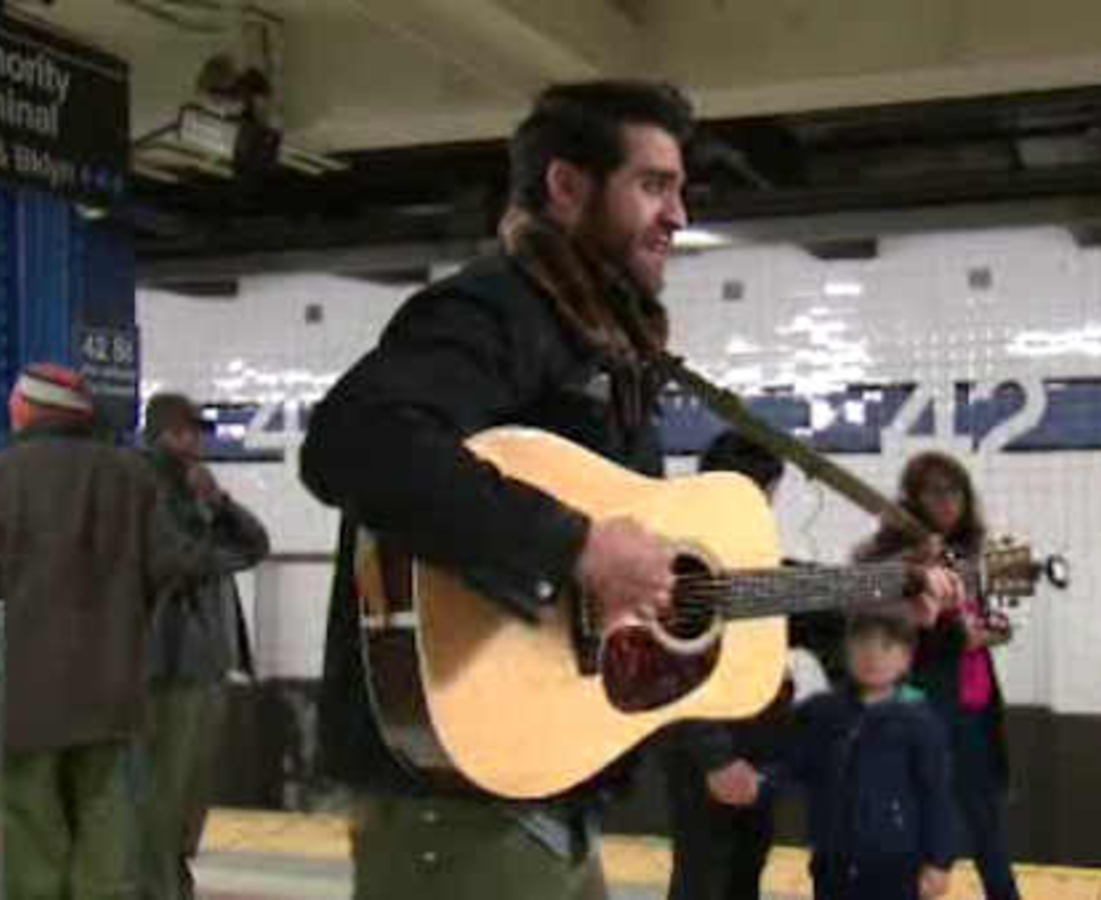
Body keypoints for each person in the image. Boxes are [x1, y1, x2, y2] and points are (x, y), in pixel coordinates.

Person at [299, 80, 963, 899]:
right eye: (653, 185)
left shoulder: (603, 350)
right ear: (567, 187)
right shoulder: (496, 309)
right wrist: (574, 545)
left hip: (543, 794)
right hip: (460, 808)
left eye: (679, 190)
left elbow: (671, 583)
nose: (678, 215)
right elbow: (354, 441)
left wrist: (877, 591)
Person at [0, 363, 189, 900]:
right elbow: (170, 565)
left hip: (19, 701)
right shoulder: (134, 476)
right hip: (112, 697)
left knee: (29, 852)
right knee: (105, 851)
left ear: (24, 410)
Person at [664, 430, 841, 900]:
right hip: (707, 755)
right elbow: (672, 673)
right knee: (704, 880)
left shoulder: (756, 561)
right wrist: (716, 759)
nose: (767, 507)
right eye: (765, 495)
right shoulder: (680, 568)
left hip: (762, 744)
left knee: (744, 872)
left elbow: (817, 621)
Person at [853, 451, 1021, 900]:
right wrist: (960, 639)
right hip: (918, 710)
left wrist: (987, 630)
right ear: (912, 499)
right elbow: (880, 639)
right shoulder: (884, 560)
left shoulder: (969, 554)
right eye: (935, 492)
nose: (948, 502)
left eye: (956, 492)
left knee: (986, 825)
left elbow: (969, 620)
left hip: (974, 707)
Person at [136, 392, 271, 900]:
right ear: (162, 434)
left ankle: (172, 874)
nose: (195, 442)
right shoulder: (149, 487)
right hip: (170, 661)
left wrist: (220, 503)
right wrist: (222, 553)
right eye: (185, 432)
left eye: (196, 432)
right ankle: (156, 884)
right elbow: (180, 561)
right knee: (167, 787)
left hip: (205, 659)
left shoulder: (197, 490)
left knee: (191, 789)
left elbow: (256, 544)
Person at [727, 608, 957, 900]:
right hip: (833, 861)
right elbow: (794, 763)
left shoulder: (920, 722)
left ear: (906, 658)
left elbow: (936, 796)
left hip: (896, 866)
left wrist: (939, 862)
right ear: (847, 649)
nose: (873, 656)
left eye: (886, 646)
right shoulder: (822, 712)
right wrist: (757, 783)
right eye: (863, 643)